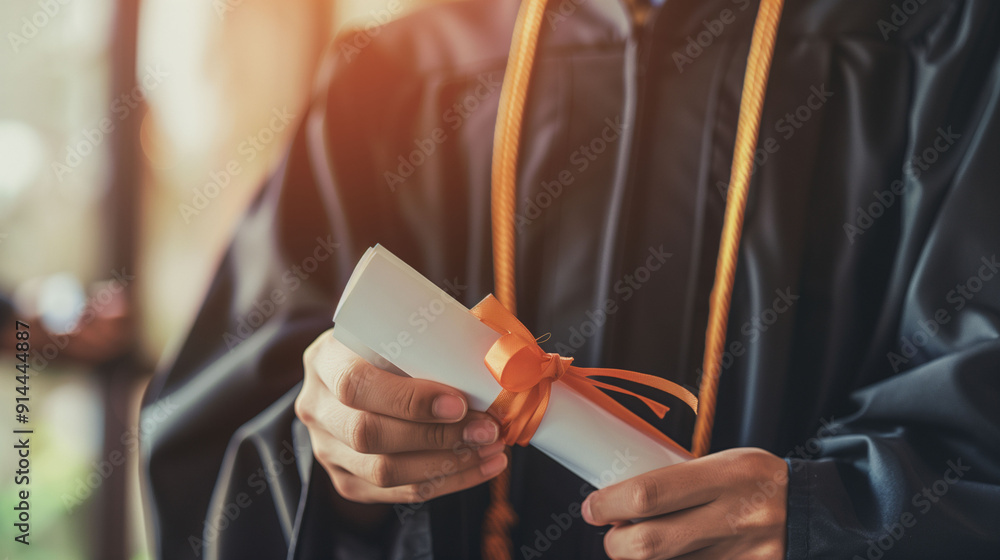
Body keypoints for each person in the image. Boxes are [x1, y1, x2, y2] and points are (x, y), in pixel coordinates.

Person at [141, 0, 1000, 558]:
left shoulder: (947, 50)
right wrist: (333, 464)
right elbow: (212, 448)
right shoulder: (395, 85)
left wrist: (838, 522)